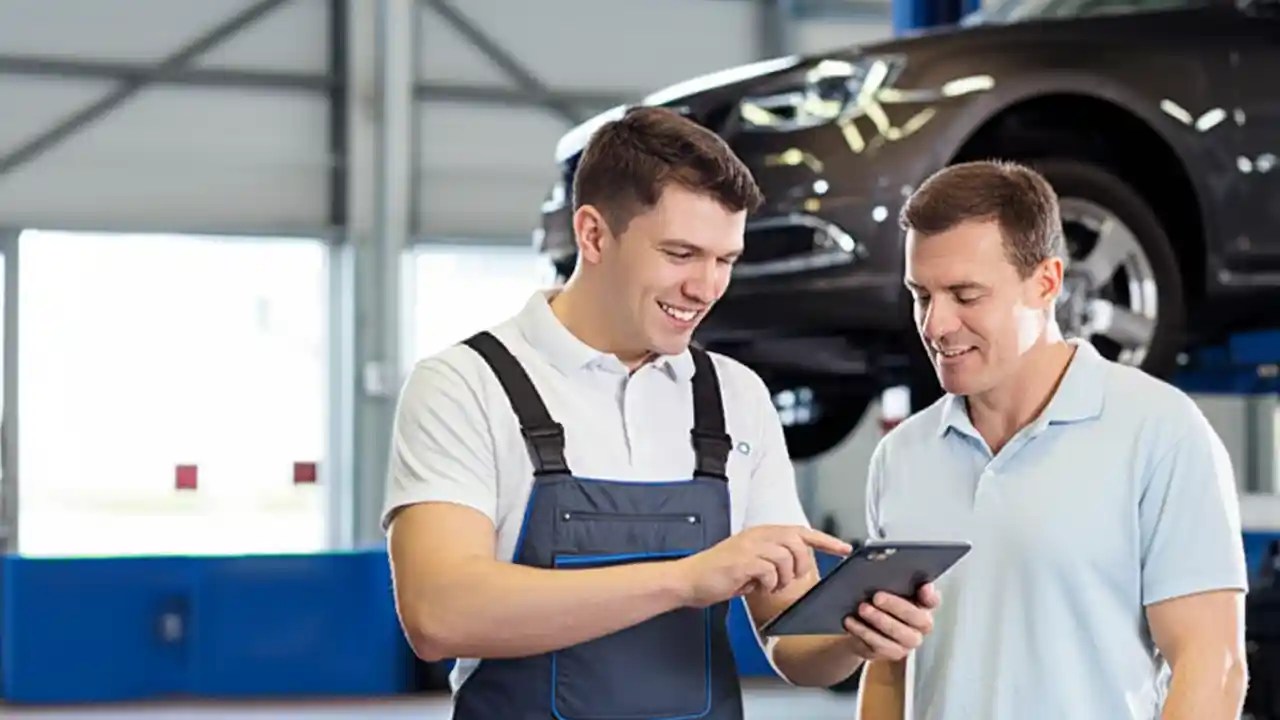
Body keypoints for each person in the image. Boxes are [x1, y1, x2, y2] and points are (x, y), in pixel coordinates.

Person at [381, 106, 941, 719]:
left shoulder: (735, 397)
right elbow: (440, 612)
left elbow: (794, 644)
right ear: (593, 235)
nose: (706, 287)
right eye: (681, 254)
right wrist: (682, 579)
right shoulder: (465, 385)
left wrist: (854, 634)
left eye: (725, 259)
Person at [857, 160, 1250, 720]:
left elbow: (1212, 664)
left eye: (965, 295)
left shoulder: (1157, 430)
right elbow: (890, 665)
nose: (936, 324)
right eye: (922, 295)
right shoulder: (901, 455)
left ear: (1046, 283)